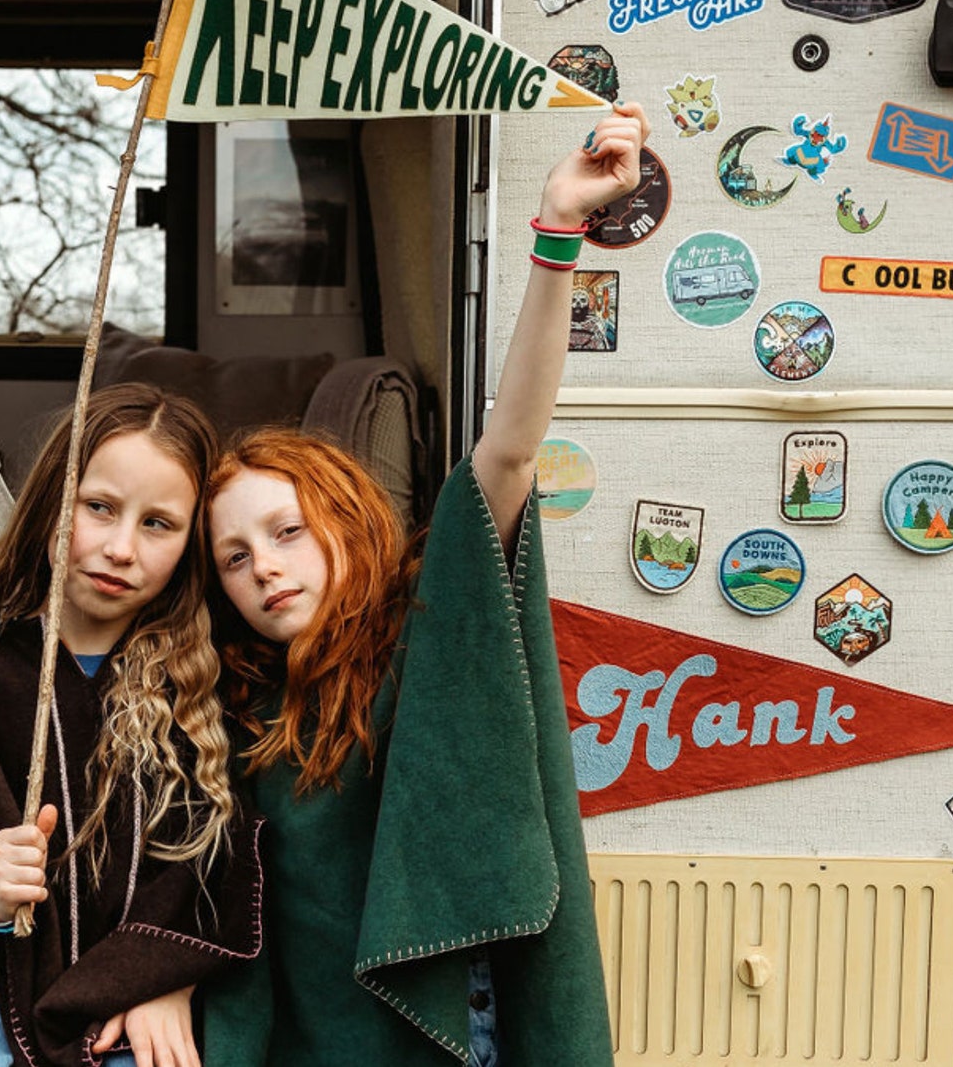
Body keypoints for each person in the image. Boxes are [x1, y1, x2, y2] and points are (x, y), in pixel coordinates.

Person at [202, 102, 649, 1067]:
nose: (264, 566)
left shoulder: (422, 625)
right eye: (234, 557)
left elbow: (512, 448)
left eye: (286, 531)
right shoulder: (232, 701)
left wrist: (558, 229)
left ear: (345, 523)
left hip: (450, 1026)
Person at [0, 384, 262, 1067]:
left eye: (158, 523)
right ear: (51, 508)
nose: (121, 547)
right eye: (99, 507)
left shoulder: (200, 696)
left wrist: (170, 977)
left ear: (192, 546)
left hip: (130, 994)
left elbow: (216, 892)